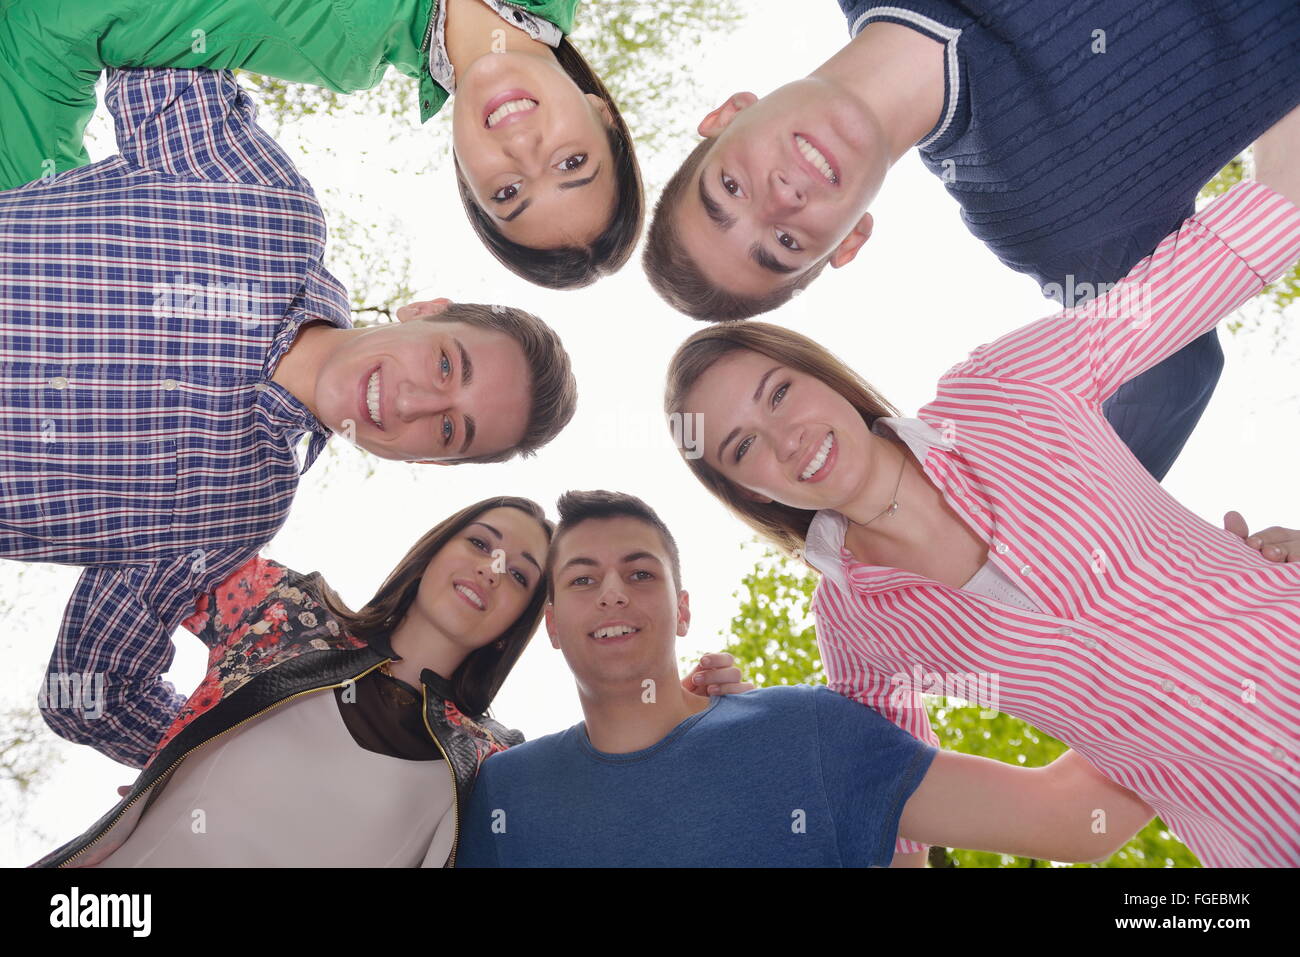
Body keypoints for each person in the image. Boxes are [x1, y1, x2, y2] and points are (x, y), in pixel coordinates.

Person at [662, 134, 1300, 866]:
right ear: (746, 490)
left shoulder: (1006, 387)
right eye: (741, 448)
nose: (786, 437)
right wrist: (731, 734)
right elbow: (894, 817)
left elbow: (1234, 245)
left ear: (824, 376)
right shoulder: (858, 629)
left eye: (779, 393)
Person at [0, 67, 576, 768]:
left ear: (428, 460)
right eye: (448, 365)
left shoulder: (236, 509)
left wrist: (224, 778)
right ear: (425, 311)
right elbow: (153, 29)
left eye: (450, 429)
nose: (414, 402)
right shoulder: (261, 202)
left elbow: (86, 689)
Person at [644, 0, 1300, 482]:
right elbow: (1171, 371)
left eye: (729, 187)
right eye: (784, 242)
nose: (779, 196)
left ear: (727, 116)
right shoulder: (1041, 218)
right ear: (849, 243)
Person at [32, 495, 748, 868]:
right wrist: (182, 745)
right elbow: (145, 566)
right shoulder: (284, 610)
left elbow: (616, 820)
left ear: (521, 620)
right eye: (480, 542)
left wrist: (705, 724)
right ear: (437, 547)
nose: (490, 570)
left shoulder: (490, 761)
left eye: (521, 575)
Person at [456, 490, 1155, 867]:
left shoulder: (809, 730)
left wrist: (1208, 643)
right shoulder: (504, 787)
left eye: (640, 572)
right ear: (549, 622)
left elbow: (1071, 818)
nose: (613, 593)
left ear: (683, 609)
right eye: (583, 578)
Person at [0, 0, 643, 288]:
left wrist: (36, 230)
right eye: (571, 163)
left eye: (508, 193)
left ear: (467, 180)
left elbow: (56, 23)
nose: (524, 153)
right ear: (600, 113)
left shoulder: (335, 46)